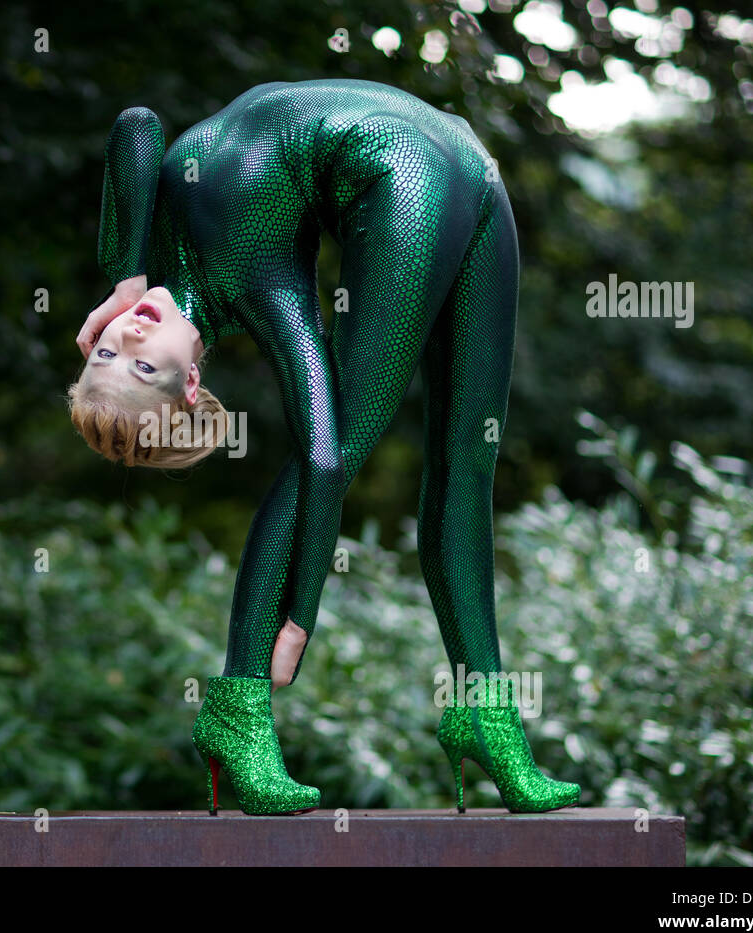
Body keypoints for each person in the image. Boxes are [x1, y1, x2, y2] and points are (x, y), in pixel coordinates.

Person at [68, 78, 581, 815]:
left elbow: (136, 119)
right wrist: (299, 607)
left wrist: (123, 274)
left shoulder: (137, 265)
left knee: (469, 460)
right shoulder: (255, 288)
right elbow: (324, 458)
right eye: (143, 368)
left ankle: (247, 706)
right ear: (189, 387)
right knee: (439, 453)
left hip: (461, 153)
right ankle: (459, 711)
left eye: (105, 356)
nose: (131, 338)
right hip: (424, 168)